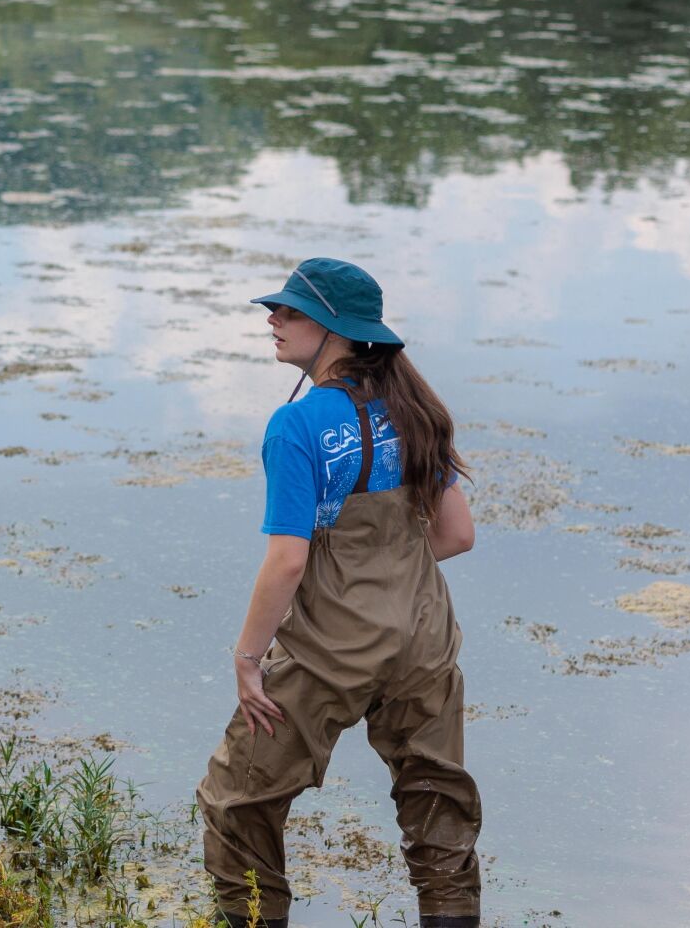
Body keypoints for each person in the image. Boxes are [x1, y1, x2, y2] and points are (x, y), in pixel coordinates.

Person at [197, 257, 482, 928]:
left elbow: (287, 563)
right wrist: (388, 570)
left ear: (335, 329)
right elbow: (457, 535)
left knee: (237, 801)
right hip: (425, 639)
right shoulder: (416, 410)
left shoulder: (295, 426)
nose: (273, 318)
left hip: (332, 648)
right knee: (437, 805)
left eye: (290, 310)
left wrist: (247, 659)